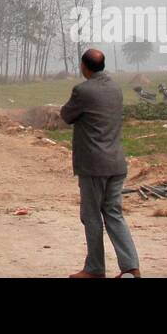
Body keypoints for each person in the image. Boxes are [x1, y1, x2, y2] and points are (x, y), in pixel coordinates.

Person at [60, 48, 141, 278]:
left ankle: (95, 268)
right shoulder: (115, 88)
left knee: (91, 216)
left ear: (84, 66)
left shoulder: (82, 91)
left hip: (94, 165)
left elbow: (66, 116)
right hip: (116, 162)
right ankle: (130, 267)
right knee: (114, 214)